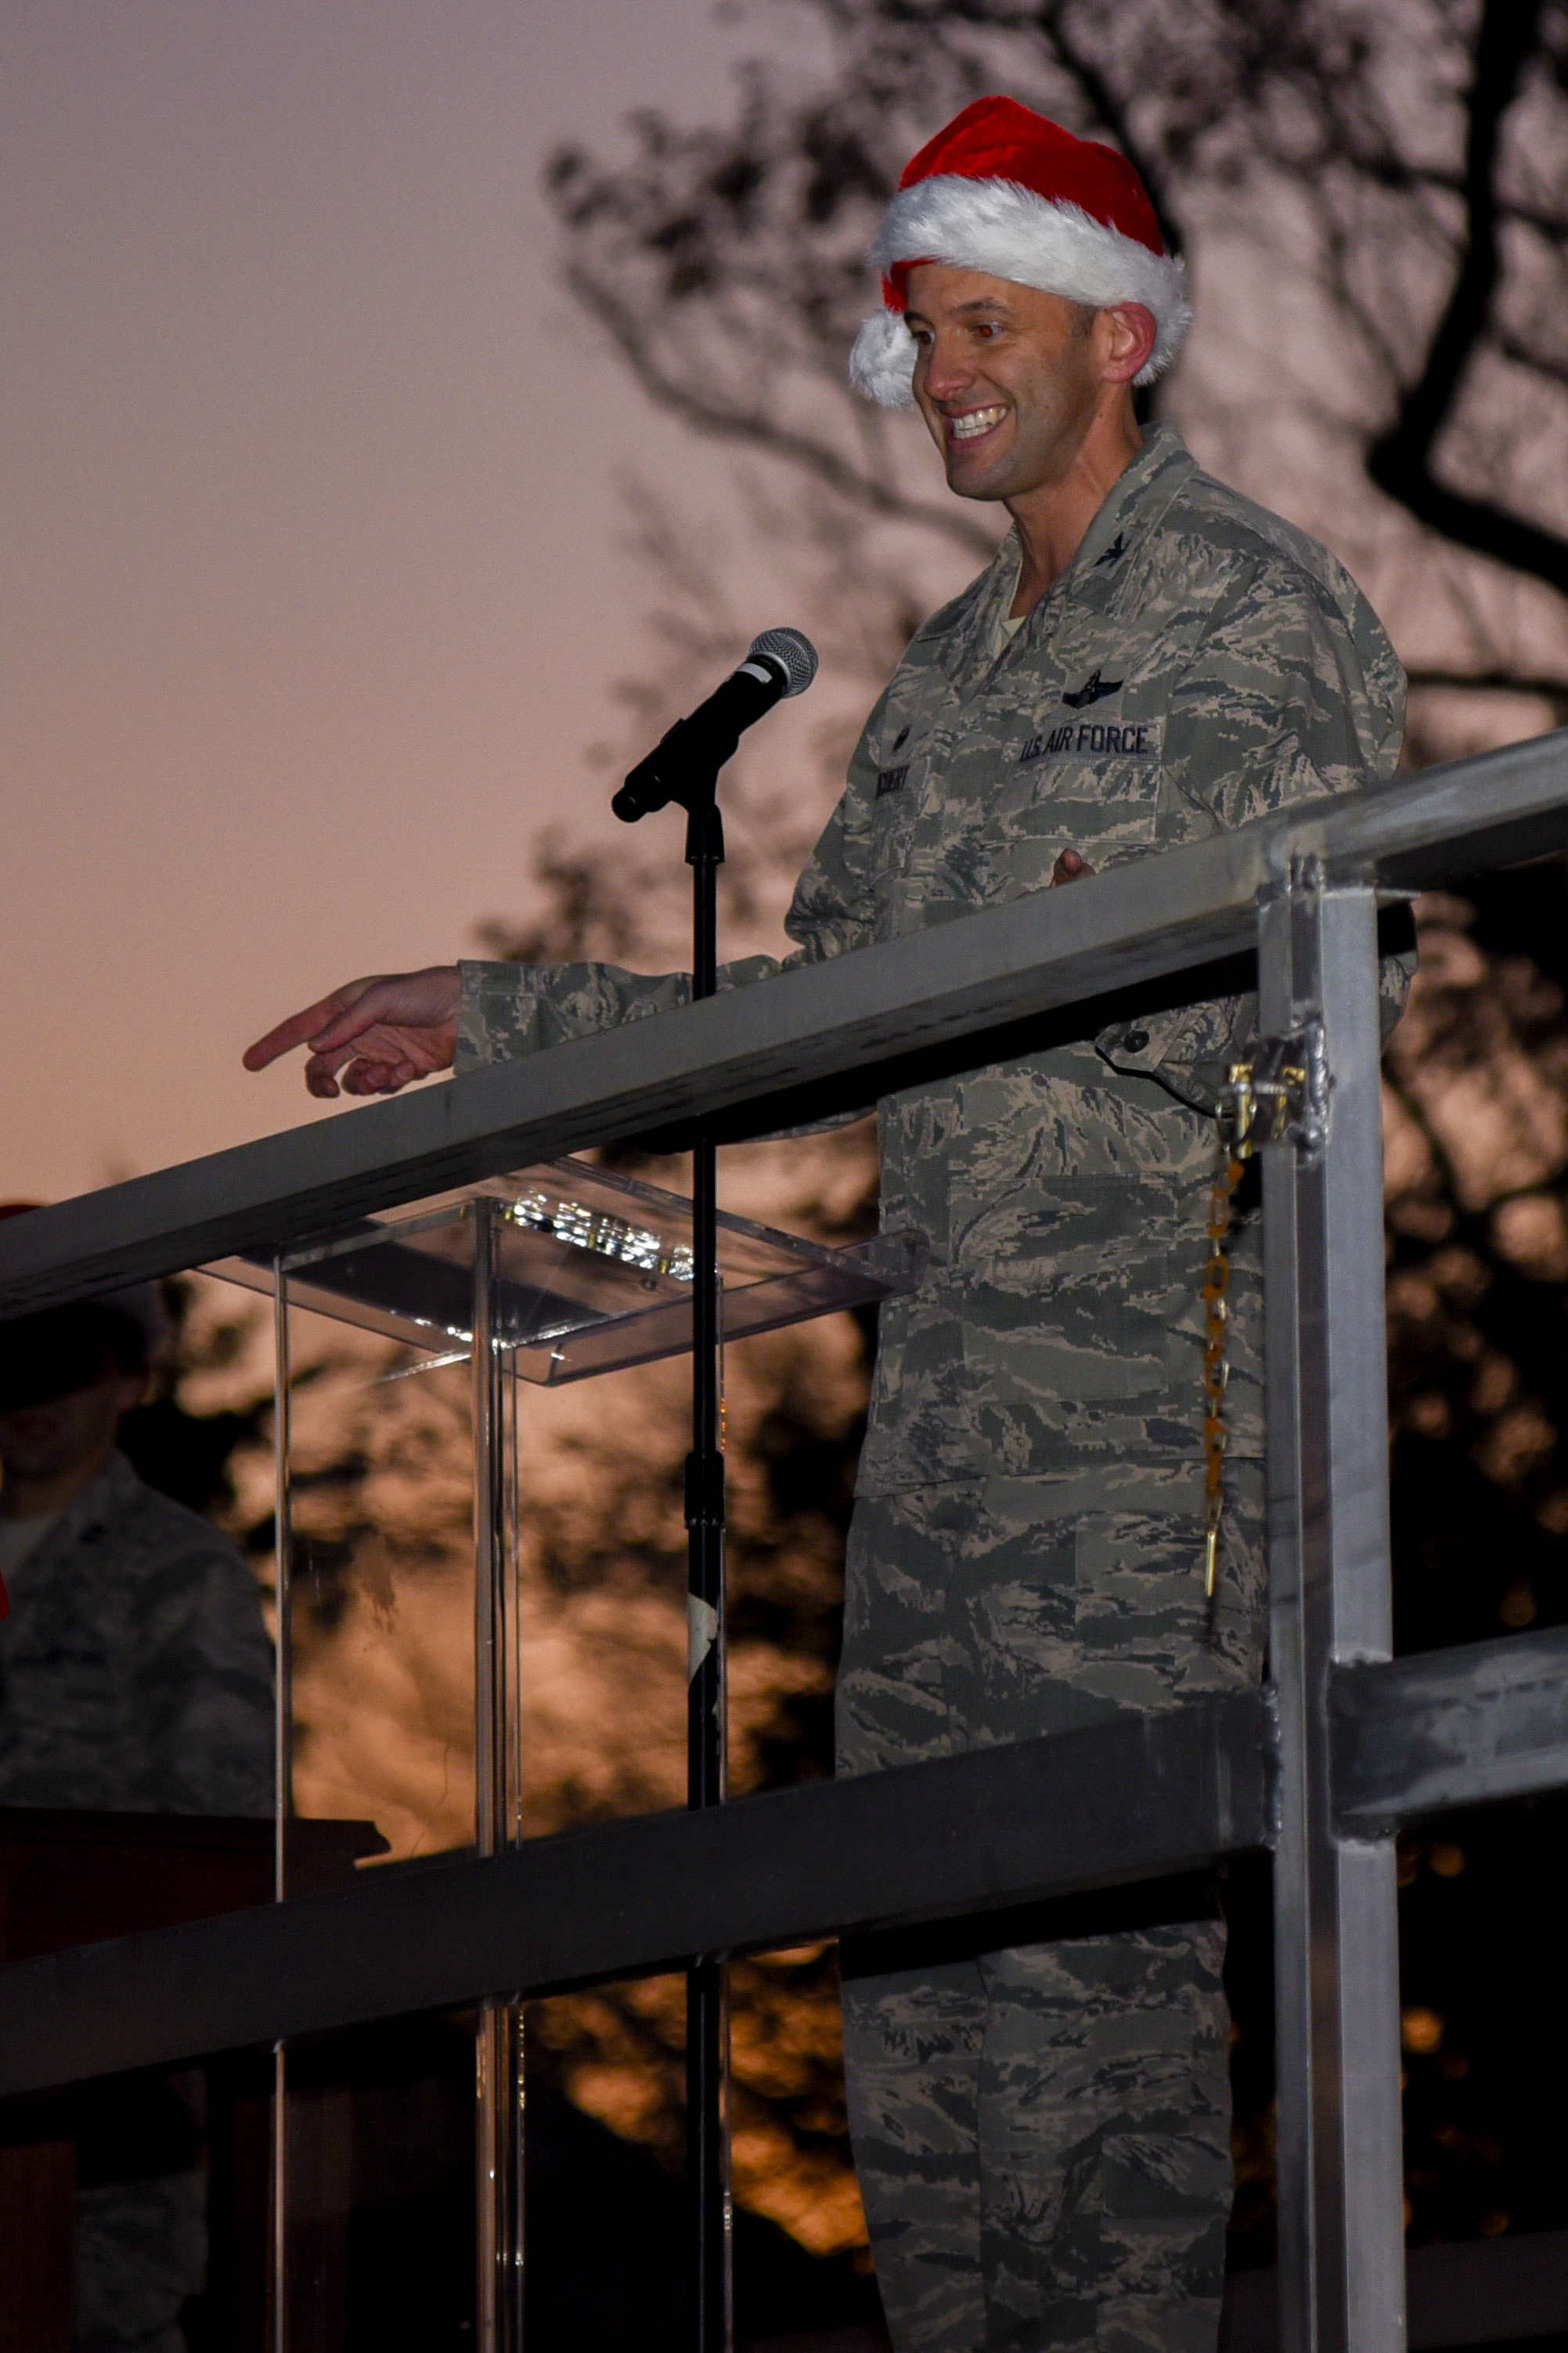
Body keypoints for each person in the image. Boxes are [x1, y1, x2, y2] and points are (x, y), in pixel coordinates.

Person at [244, 97, 1407, 2353]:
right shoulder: (943, 676)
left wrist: (1087, 949)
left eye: (989, 319)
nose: (945, 365)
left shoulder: (1252, 611)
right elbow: (820, 1024)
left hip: (1139, 1459)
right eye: (920, 325)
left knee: (1093, 2049)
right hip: (933, 1468)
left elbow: (1321, 982)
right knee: (928, 2049)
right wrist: (495, 1012)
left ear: (1115, 328)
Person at [0, 1242, 274, 2353]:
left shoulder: (178, 1569)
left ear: (132, 1378)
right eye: (5, 1363)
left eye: (66, 1361)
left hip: (105, 2096)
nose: (29, 1397)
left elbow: (219, 1836)